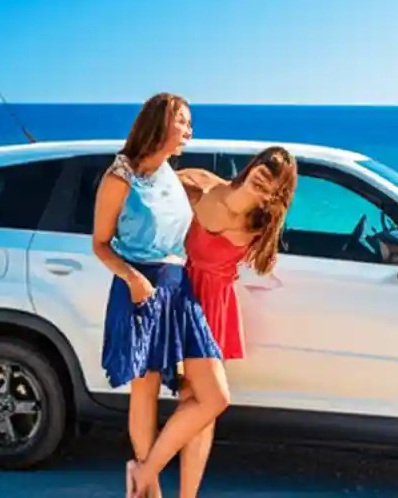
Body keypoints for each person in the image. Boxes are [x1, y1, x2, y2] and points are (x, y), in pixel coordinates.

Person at [92, 93, 223, 498]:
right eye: (182, 121)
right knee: (144, 389)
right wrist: (133, 279)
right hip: (139, 287)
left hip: (177, 287)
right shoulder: (119, 177)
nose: (189, 130)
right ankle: (149, 490)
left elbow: (228, 198)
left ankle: (143, 473)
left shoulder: (173, 173)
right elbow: (100, 243)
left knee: (215, 396)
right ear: (160, 122)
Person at [172, 147, 298, 498]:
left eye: (276, 176)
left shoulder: (261, 223)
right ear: (253, 164)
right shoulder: (198, 183)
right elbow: (152, 194)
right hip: (178, 295)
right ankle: (145, 472)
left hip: (213, 304)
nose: (266, 173)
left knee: (200, 405)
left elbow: (266, 259)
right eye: (266, 164)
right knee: (190, 399)